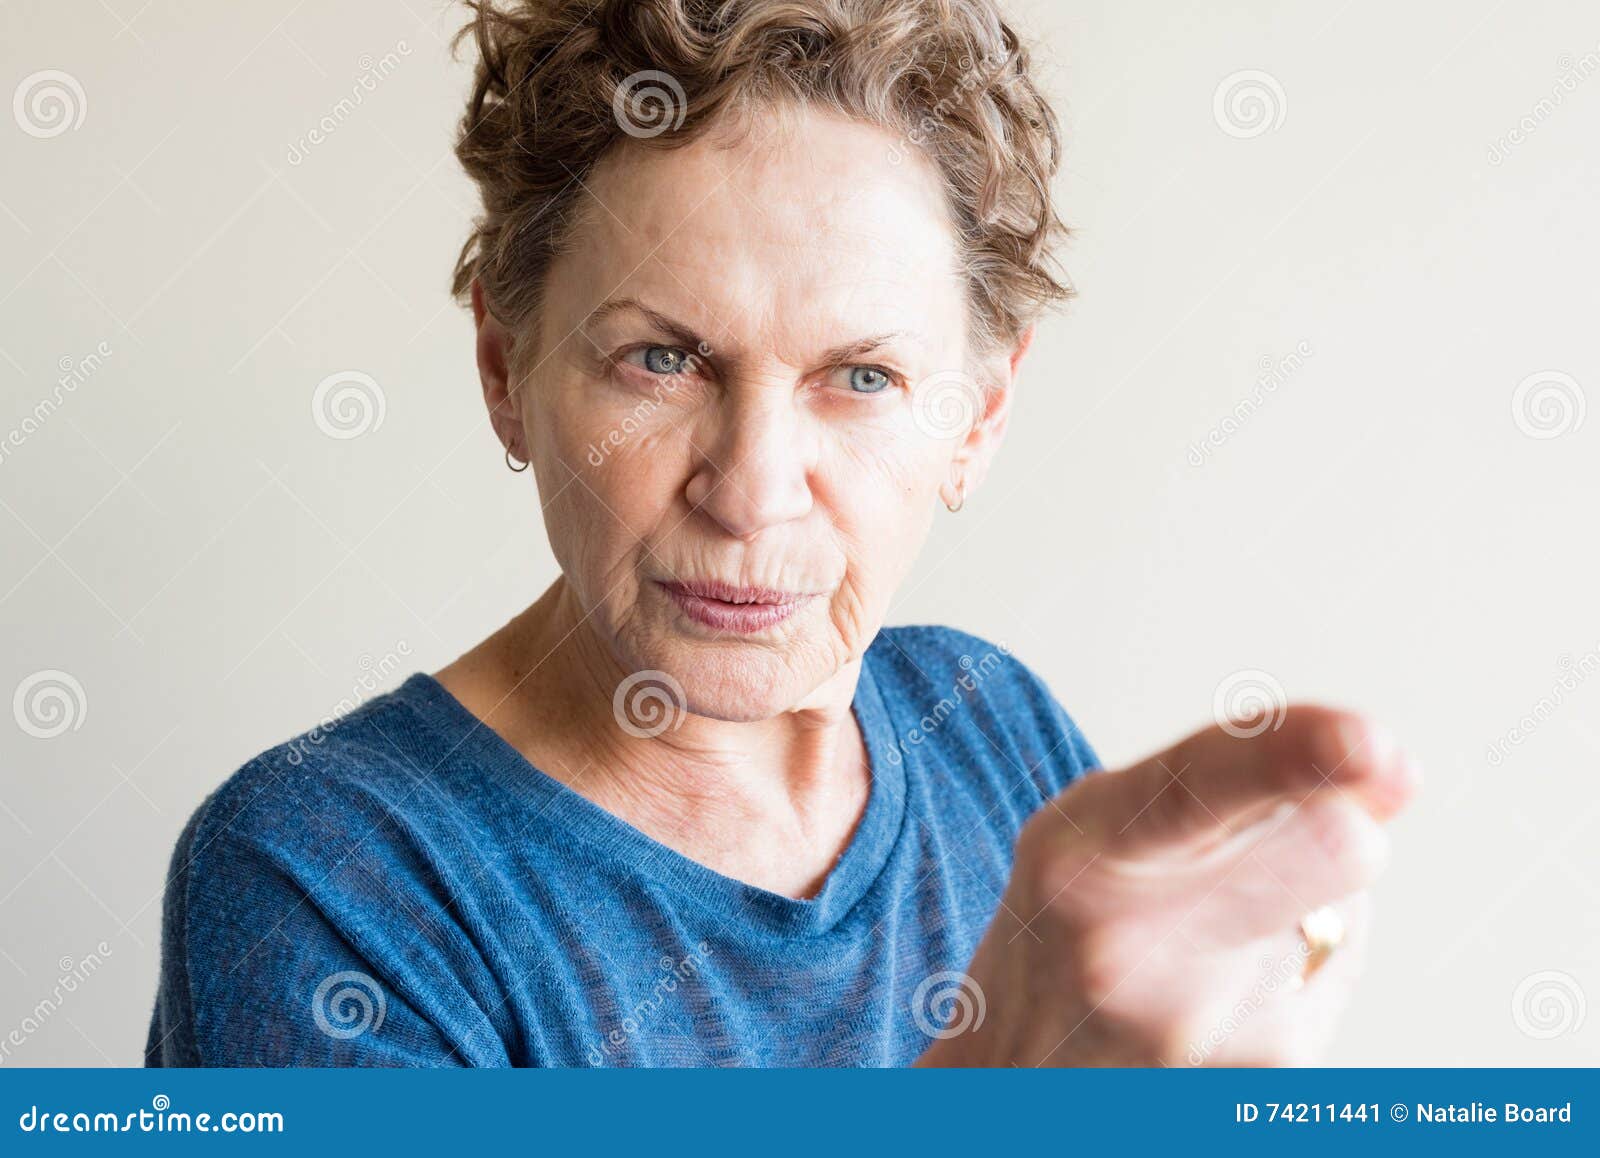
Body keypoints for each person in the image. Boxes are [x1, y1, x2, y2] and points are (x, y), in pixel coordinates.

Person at [147, 0, 1419, 1067]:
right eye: (661, 359)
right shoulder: (326, 876)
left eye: (860, 378)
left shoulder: (988, 725)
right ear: (503, 364)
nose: (751, 492)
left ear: (977, 416)